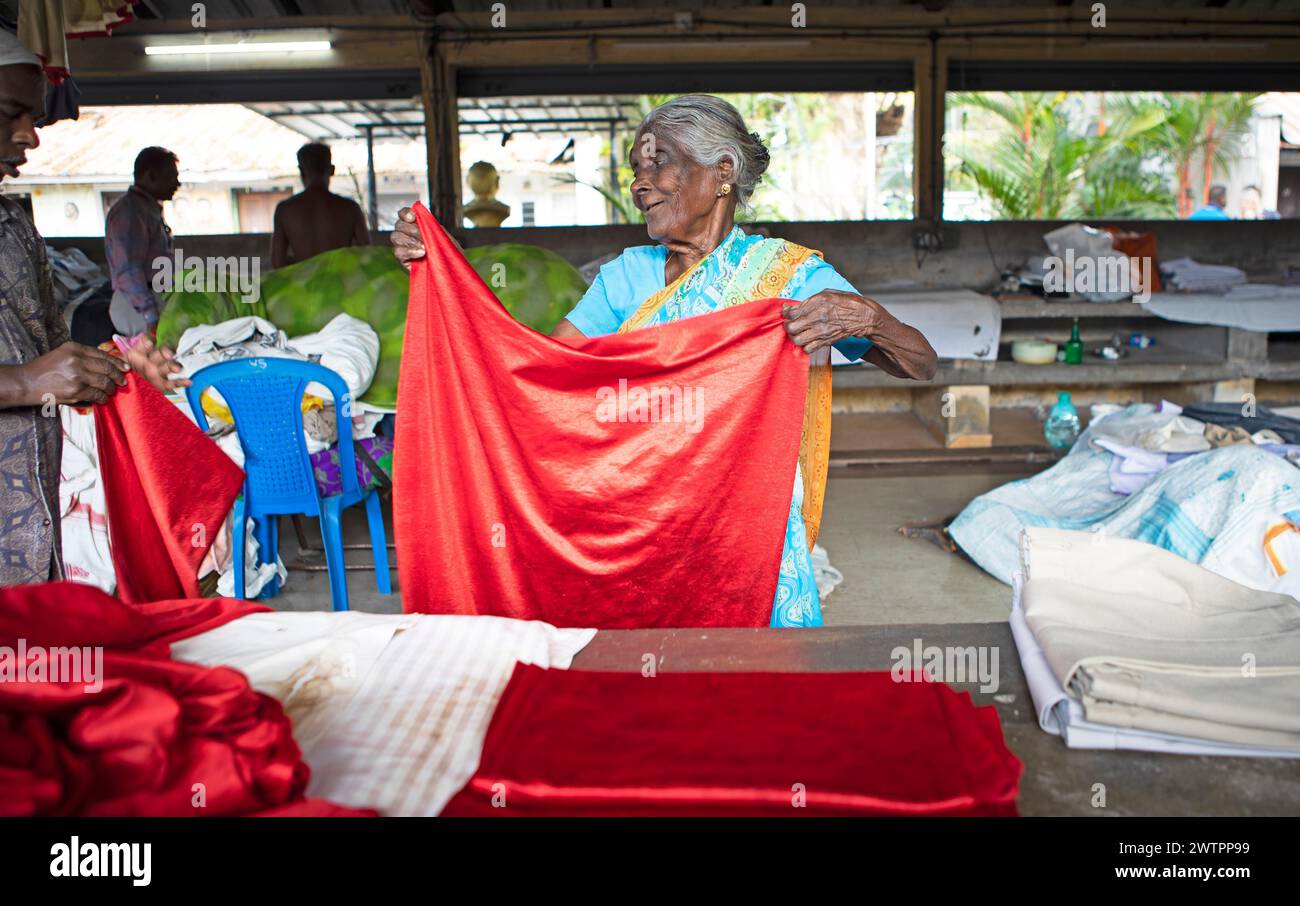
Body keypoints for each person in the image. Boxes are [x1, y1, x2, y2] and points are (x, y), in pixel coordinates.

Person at [390, 94, 937, 628]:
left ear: (722, 171)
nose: (639, 183)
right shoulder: (626, 277)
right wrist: (449, 277)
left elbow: (921, 364)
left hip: (745, 531)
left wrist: (868, 320)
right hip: (633, 525)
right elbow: (539, 375)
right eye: (634, 169)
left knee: (746, 690)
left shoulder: (785, 277)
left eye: (659, 162)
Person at [0, 30, 188, 587]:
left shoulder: (14, 227)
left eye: (32, 117)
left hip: (29, 524)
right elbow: (31, 375)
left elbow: (49, 354)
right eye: (11, 112)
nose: (28, 136)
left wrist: (116, 364)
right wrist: (19, 384)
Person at [104, 146, 180, 334]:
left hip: (152, 297)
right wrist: (150, 315)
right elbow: (128, 269)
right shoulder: (130, 214)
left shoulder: (147, 210)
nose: (177, 183)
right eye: (171, 176)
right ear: (151, 176)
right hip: (138, 306)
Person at [271, 143, 369, 268]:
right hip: (341, 283)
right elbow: (368, 255)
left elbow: (277, 263)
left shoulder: (284, 210)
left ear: (301, 171)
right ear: (332, 170)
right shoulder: (350, 208)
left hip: (303, 285)